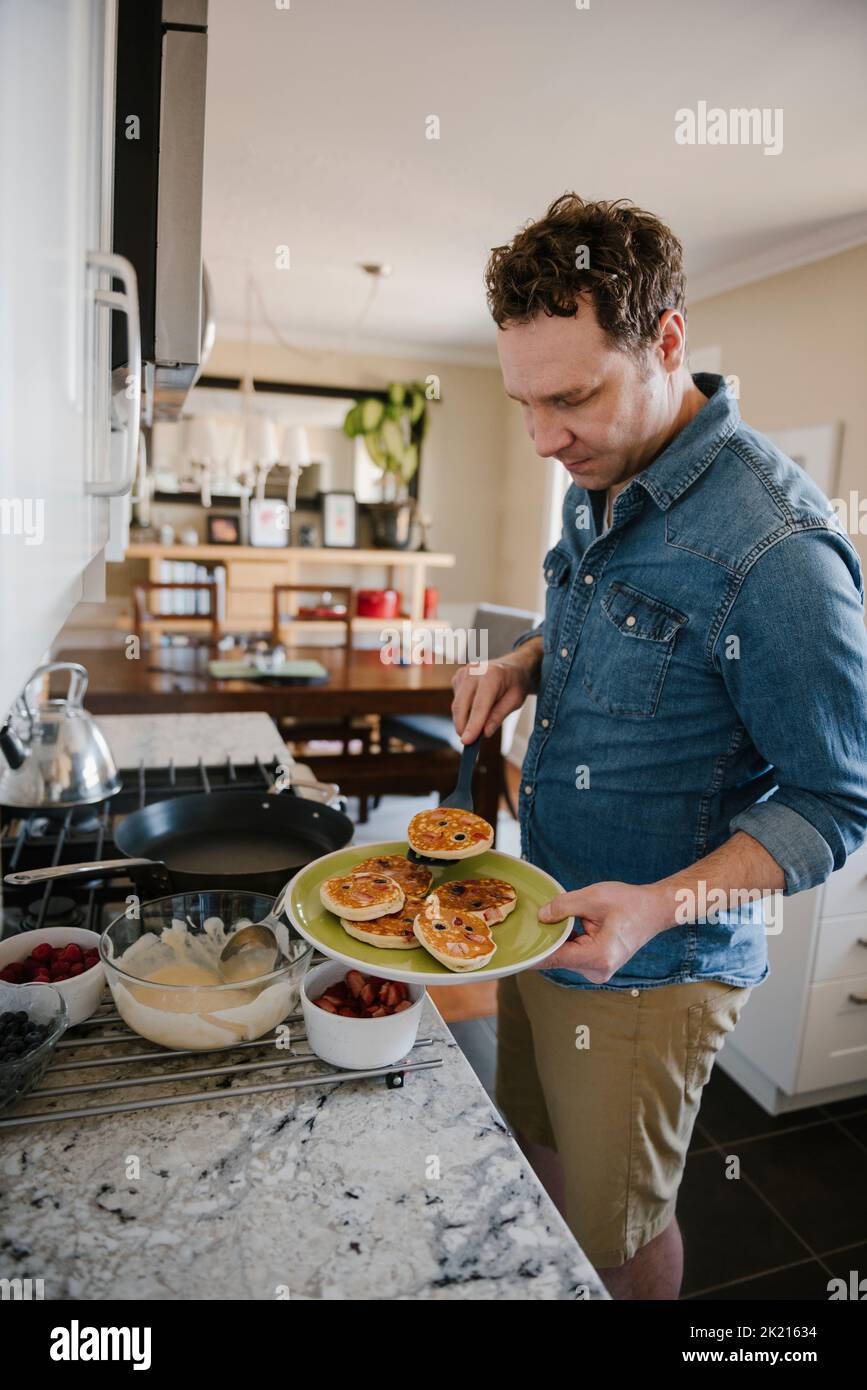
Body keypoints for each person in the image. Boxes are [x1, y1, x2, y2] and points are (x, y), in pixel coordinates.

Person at [451, 194, 867, 1299]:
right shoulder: (606, 475)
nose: (544, 436)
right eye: (525, 401)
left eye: (572, 396)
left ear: (668, 340)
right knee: (536, 1160)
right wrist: (525, 663)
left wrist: (651, 908)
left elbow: (839, 804)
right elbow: (607, 611)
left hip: (650, 966)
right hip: (548, 912)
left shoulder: (776, 550)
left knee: (622, 1229)